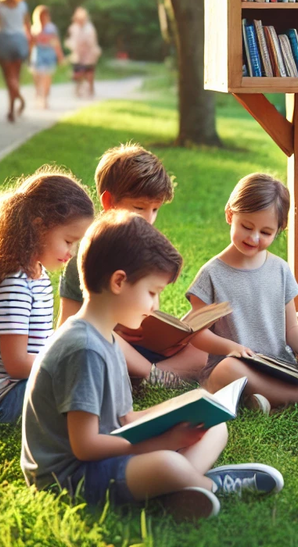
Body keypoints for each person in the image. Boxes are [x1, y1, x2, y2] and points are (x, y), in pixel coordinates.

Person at [22, 211, 283, 521]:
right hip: (70, 479)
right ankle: (207, 485)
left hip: (103, 459)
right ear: (119, 281)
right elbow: (85, 447)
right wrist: (164, 442)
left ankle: (178, 488)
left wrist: (182, 406)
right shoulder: (84, 349)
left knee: (214, 428)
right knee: (166, 463)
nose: (155, 306)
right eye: (151, 293)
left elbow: (125, 418)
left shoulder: (105, 337)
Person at [187, 173, 298, 412]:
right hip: (235, 366)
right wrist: (231, 348)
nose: (253, 238)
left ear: (278, 230)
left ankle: (269, 400)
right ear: (230, 215)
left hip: (281, 367)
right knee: (227, 371)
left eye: (265, 232)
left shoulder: (280, 269)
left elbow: (291, 329)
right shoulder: (212, 274)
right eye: (246, 226)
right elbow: (196, 334)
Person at [58, 143, 206, 387]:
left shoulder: (139, 248)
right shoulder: (92, 250)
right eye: (139, 208)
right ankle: (152, 377)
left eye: (155, 209)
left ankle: (142, 377)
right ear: (109, 201)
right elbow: (70, 326)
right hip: (98, 346)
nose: (149, 218)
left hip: (136, 347)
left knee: (203, 353)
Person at [0, 168, 94, 424]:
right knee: (79, 388)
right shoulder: (14, 283)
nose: (72, 252)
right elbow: (17, 364)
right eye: (68, 241)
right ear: (39, 227)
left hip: (21, 384)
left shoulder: (38, 276)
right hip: (2, 398)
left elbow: (40, 346)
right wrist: (62, 367)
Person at [29, 5, 65, 109]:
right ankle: (38, 95)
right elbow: (31, 44)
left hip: (48, 56)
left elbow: (56, 43)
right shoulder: (34, 28)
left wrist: (60, 56)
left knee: (47, 78)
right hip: (37, 56)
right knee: (38, 78)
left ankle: (44, 99)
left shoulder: (51, 28)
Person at [66, 7, 101, 97]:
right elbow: (71, 40)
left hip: (89, 55)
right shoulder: (73, 28)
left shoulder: (89, 28)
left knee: (89, 73)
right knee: (78, 73)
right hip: (78, 54)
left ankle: (90, 89)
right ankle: (78, 89)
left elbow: (91, 43)